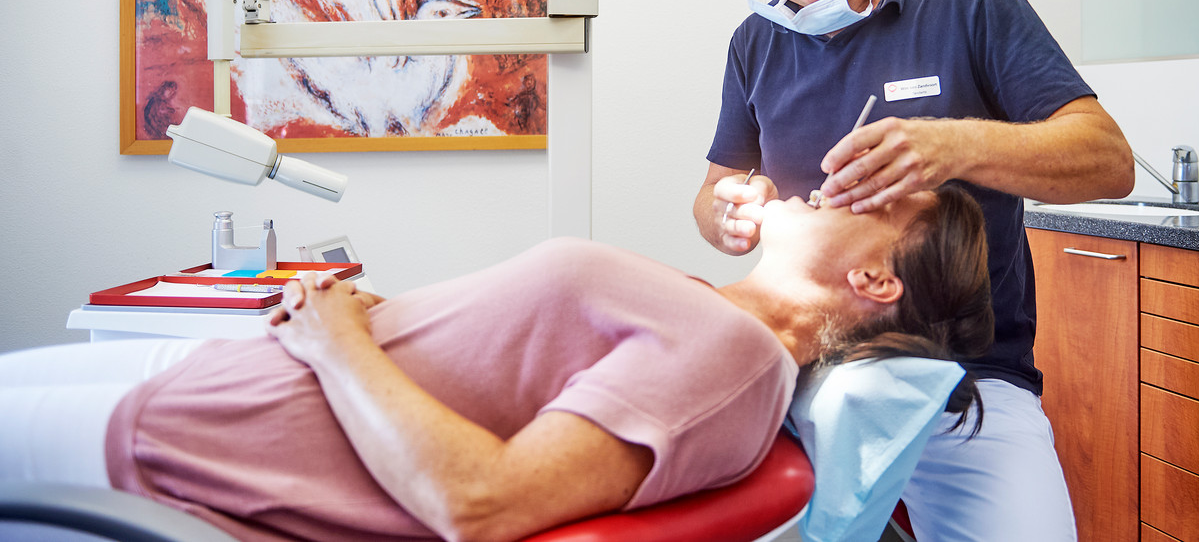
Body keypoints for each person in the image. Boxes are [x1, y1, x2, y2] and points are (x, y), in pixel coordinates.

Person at [0, 184, 993, 542]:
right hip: (211, 390)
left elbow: (481, 504)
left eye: (866, 196)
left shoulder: (729, 362)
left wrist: (338, 339)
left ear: (875, 281)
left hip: (191, 449)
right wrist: (386, 324)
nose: (827, 178)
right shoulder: (714, 325)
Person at [694, 0, 1135, 542]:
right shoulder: (755, 45)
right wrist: (728, 209)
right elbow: (712, 192)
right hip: (810, 365)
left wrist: (956, 145)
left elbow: (1108, 160)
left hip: (971, 377)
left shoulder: (969, 2)